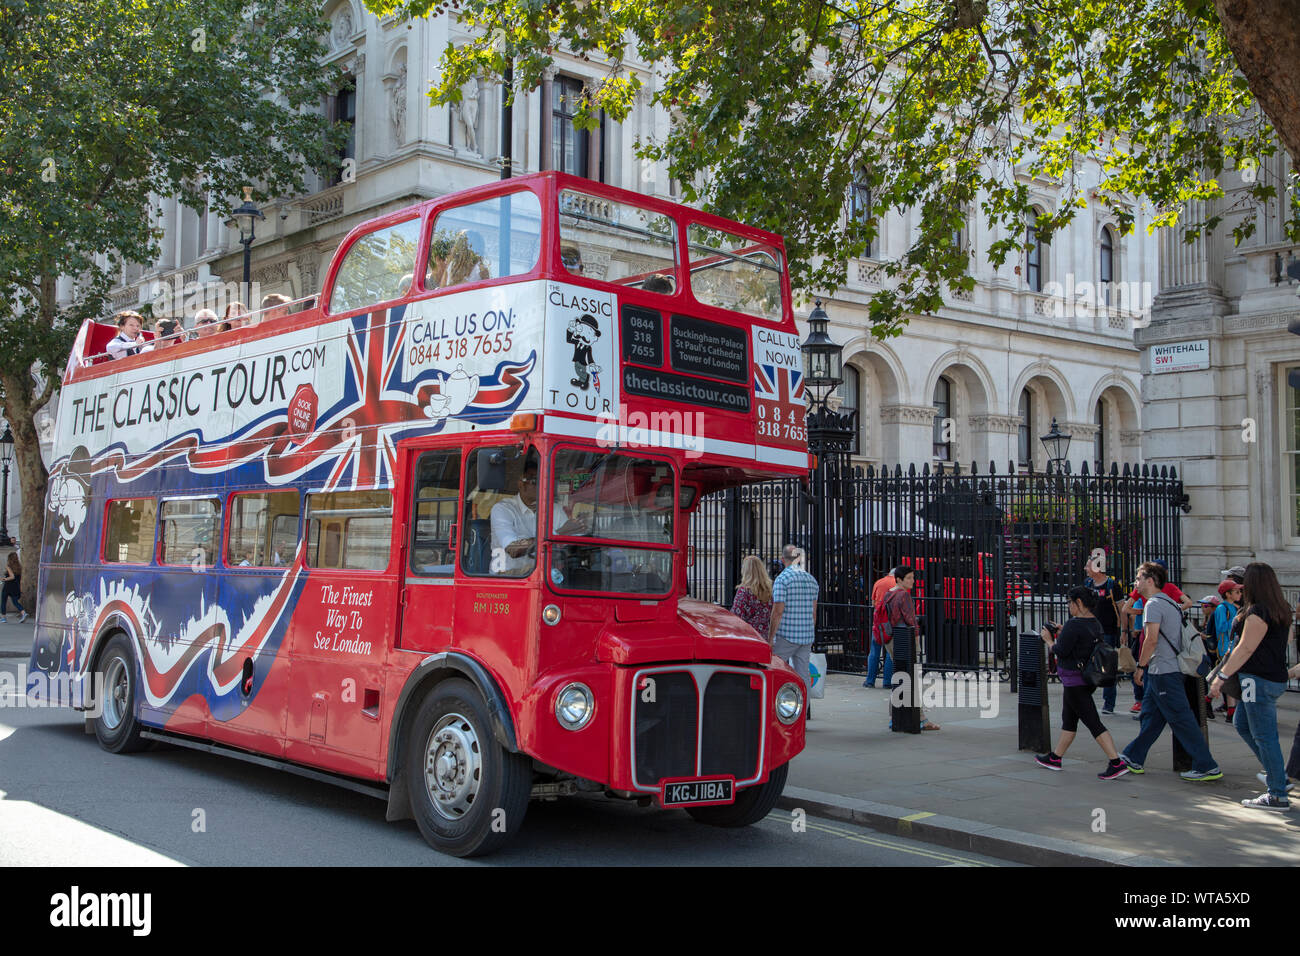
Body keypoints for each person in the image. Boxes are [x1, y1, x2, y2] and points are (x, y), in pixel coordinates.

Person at [1119, 561, 1223, 781]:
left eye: (1138, 579)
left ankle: (1207, 765)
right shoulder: (1170, 602)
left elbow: (1151, 640)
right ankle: (1133, 756)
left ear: (1150, 580)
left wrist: (1140, 667)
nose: (1136, 583)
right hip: (1165, 670)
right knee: (1151, 717)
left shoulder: (1153, 605)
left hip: (1162, 671)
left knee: (1181, 719)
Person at [1210, 562, 1293, 810]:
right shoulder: (1281, 609)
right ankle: (1276, 776)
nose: (1241, 587)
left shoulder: (1258, 612)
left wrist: (1221, 676)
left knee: (1264, 735)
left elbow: (1245, 648)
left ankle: (1277, 792)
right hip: (1268, 678)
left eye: (1245, 582)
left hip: (1256, 680)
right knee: (1243, 723)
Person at [1035, 587, 1129, 778]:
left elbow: (1061, 651)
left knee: (1093, 722)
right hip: (1085, 679)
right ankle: (1055, 757)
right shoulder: (1094, 623)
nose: (1069, 605)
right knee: (1069, 720)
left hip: (1074, 681)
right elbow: (1081, 643)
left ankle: (1116, 762)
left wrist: (1048, 640)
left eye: (1070, 602)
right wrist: (1063, 631)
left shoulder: (1074, 625)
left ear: (1079, 603)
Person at [489, 459, 587, 574]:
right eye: (535, 481)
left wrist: (582, 528)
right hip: (508, 577)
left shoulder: (554, 509)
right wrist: (559, 532)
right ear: (521, 484)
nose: (541, 485)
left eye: (544, 480)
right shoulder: (503, 509)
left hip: (543, 575)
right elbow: (513, 549)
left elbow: (572, 544)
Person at [768, 545, 819, 718]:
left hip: (786, 635)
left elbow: (777, 611)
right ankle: (802, 712)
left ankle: (779, 710)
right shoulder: (811, 579)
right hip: (806, 635)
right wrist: (810, 630)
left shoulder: (782, 580)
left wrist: (770, 636)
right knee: (803, 673)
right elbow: (814, 612)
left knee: (776, 671)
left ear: (783, 560)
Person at [1083, 555, 1123, 715]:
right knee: (1086, 665)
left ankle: (1109, 702)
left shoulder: (1112, 585)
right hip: (1089, 631)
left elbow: (1122, 609)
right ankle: (1085, 697)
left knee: (1107, 667)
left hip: (1108, 631)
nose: (1085, 569)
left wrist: (1124, 631)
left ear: (1097, 568)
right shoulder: (1087, 584)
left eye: (1088, 566)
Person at [1211, 578, 1242, 718]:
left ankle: (1209, 700)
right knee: (1228, 678)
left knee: (1230, 678)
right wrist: (1236, 621)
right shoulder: (1221, 608)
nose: (1240, 593)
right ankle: (1230, 711)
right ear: (1228, 594)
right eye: (1236, 591)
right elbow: (1222, 627)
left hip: (1234, 646)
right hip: (1225, 647)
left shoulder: (1235, 607)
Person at [863, 566, 897, 688]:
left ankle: (870, 681)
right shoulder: (897, 584)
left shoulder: (879, 582)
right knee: (889, 652)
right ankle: (887, 682)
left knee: (874, 651)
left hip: (878, 622)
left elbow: (873, 603)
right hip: (891, 622)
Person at [730, 555, 773, 639]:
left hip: (748, 637)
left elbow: (736, 617)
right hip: (764, 637)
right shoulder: (768, 590)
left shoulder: (744, 591)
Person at [0, 553, 27, 623]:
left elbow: (12, 576)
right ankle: (23, 613)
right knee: (15, 602)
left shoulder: (8, 566)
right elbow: (18, 578)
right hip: (16, 587)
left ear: (9, 559)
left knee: (3, 601)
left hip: (8, 587)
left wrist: (4, 579)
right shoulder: (19, 567)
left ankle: (3, 618)